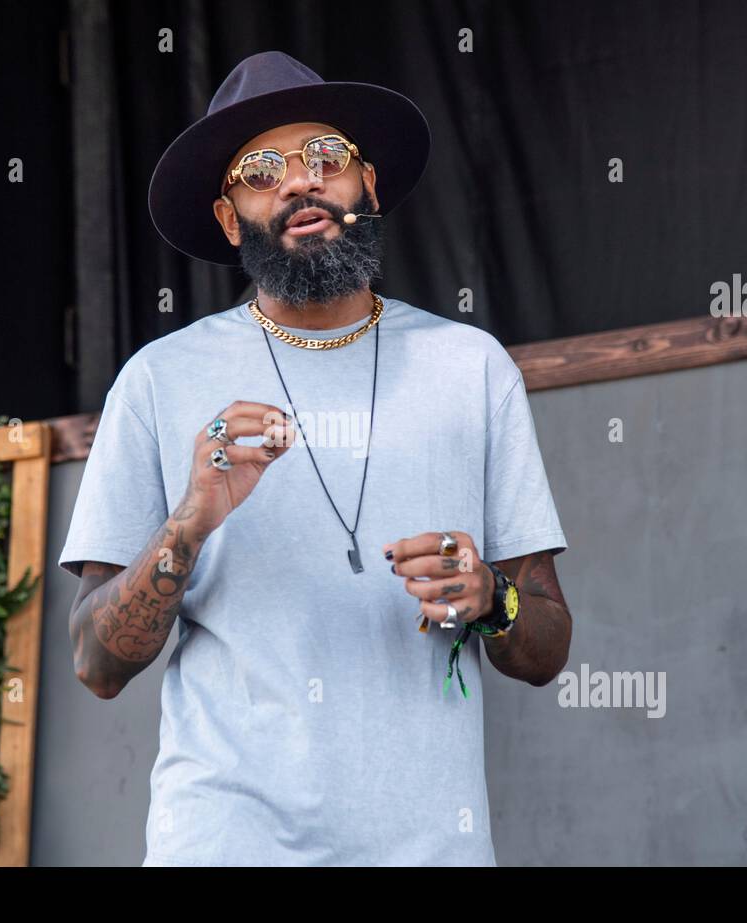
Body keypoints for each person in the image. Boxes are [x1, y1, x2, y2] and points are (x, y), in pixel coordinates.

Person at [59, 50, 571, 866]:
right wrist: (189, 524)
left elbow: (546, 648)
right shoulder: (158, 380)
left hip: (432, 847)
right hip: (225, 843)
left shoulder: (469, 367)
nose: (300, 182)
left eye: (325, 159)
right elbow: (95, 664)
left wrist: (490, 597)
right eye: (261, 171)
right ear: (230, 219)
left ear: (365, 184)